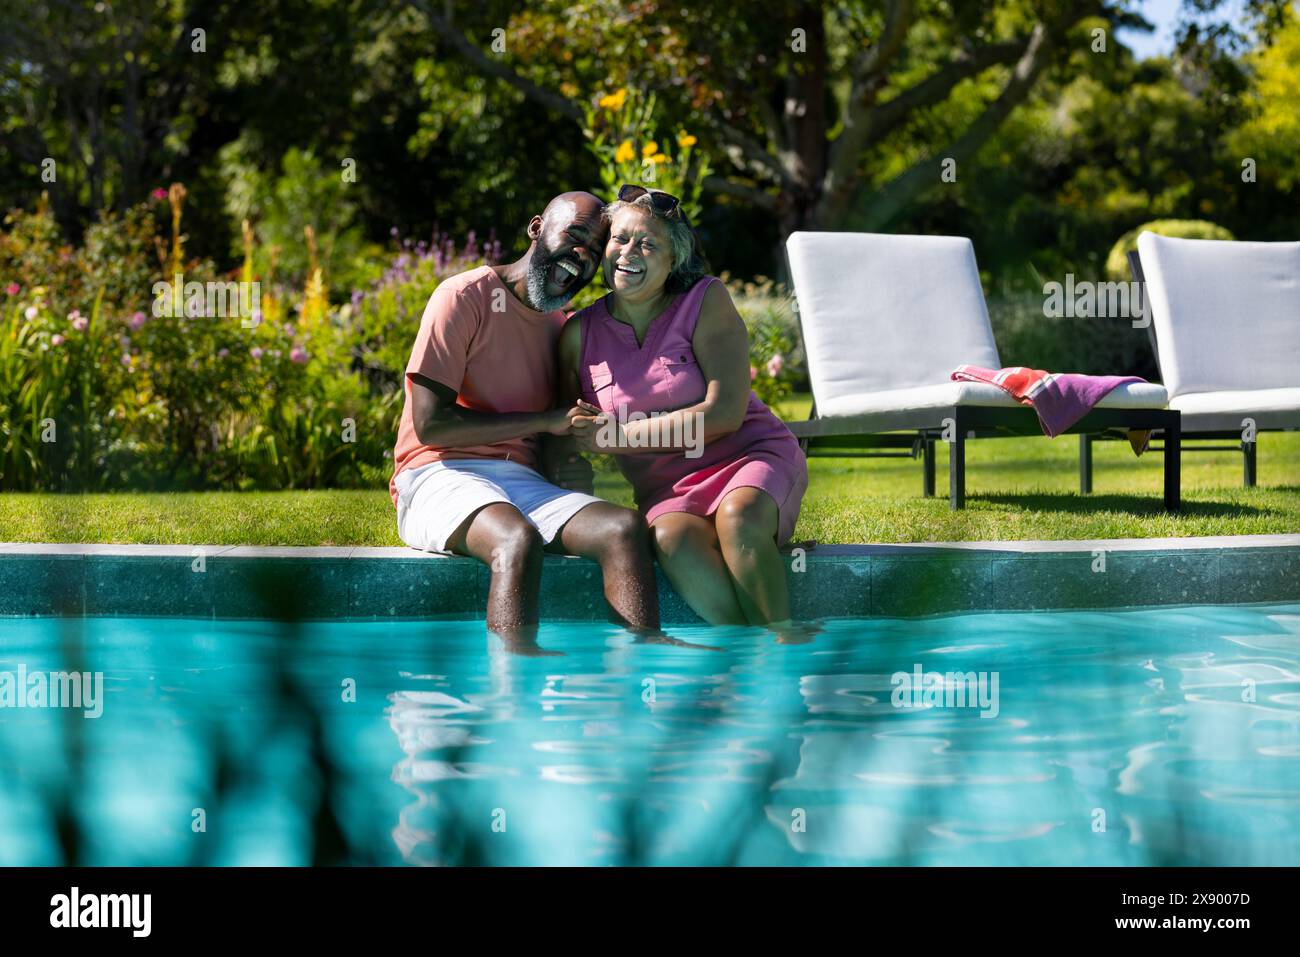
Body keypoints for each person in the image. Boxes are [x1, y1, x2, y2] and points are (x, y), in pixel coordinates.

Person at [390, 191, 659, 650]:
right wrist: (546, 420)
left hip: (521, 482)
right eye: (575, 235)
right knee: (515, 539)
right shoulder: (463, 296)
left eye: (595, 250)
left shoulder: (562, 327)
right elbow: (432, 425)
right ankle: (516, 677)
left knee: (623, 529)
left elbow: (555, 433)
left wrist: (567, 458)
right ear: (537, 229)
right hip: (438, 472)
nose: (582, 254)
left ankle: (643, 669)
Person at [560, 185, 808, 627]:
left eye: (647, 243)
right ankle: (749, 654)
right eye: (619, 239)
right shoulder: (578, 334)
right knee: (673, 540)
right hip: (666, 491)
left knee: (738, 519)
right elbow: (567, 433)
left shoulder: (705, 300)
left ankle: (784, 646)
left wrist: (619, 435)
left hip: (748, 456)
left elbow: (724, 414)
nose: (628, 252)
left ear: (673, 260)